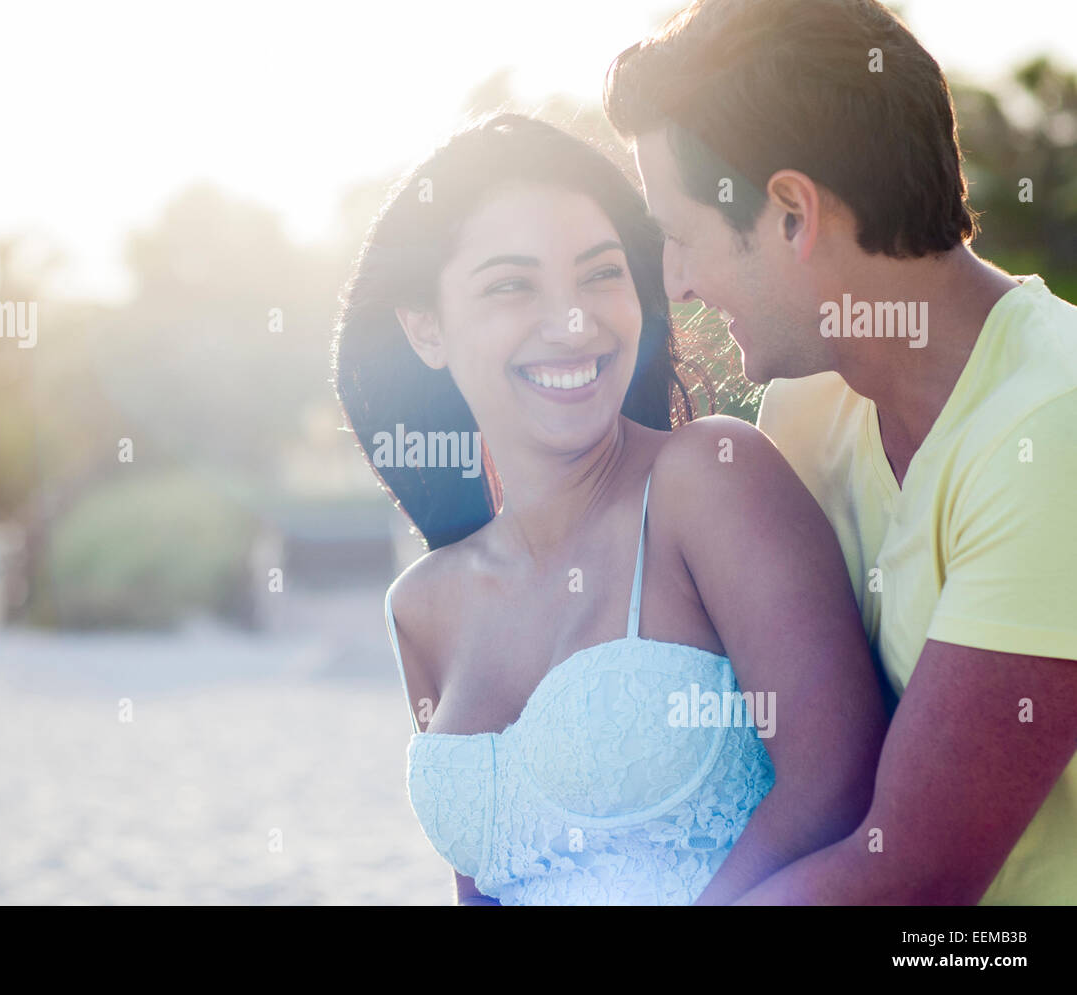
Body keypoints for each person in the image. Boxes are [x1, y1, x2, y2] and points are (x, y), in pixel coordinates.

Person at [332, 113, 887, 905]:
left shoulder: (708, 478)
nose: (572, 322)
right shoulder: (419, 607)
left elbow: (838, 786)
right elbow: (485, 885)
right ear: (425, 327)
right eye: (511, 285)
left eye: (600, 274)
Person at [606, 0, 1077, 904]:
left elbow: (912, 876)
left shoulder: (1050, 431)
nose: (678, 282)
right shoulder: (804, 410)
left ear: (791, 213)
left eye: (680, 234)